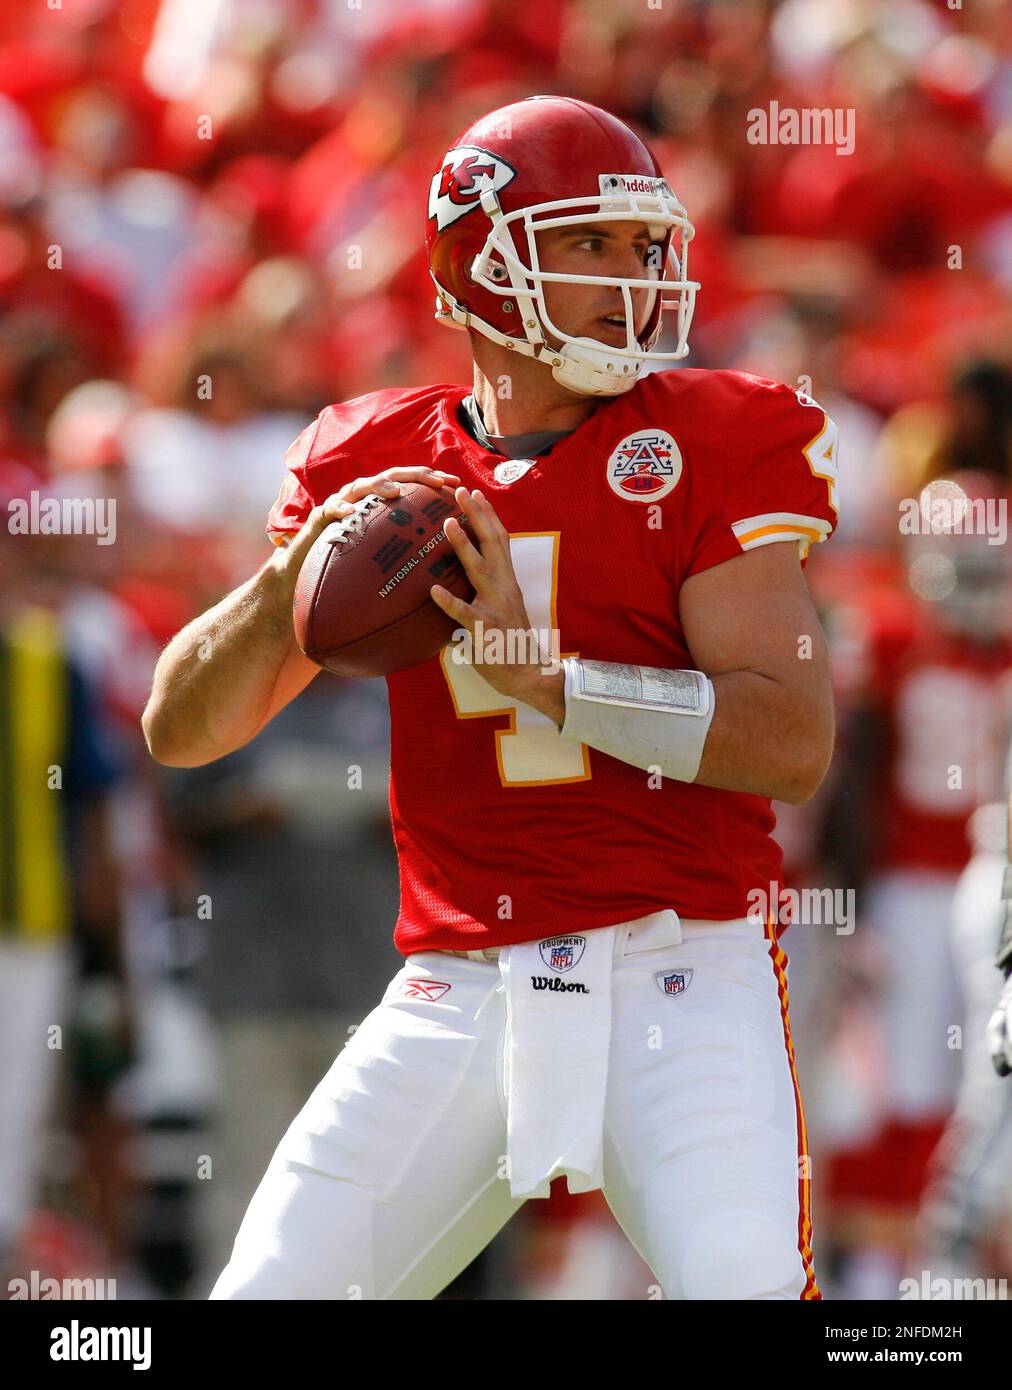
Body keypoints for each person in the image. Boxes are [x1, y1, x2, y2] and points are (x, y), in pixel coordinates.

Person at [143, 95, 840, 1300]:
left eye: (641, 245)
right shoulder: (368, 458)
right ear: (480, 257)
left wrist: (553, 683)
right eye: (588, 242)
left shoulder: (717, 435)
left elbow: (788, 738)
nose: (632, 276)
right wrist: (287, 576)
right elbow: (181, 730)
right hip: (460, 985)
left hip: (681, 969)